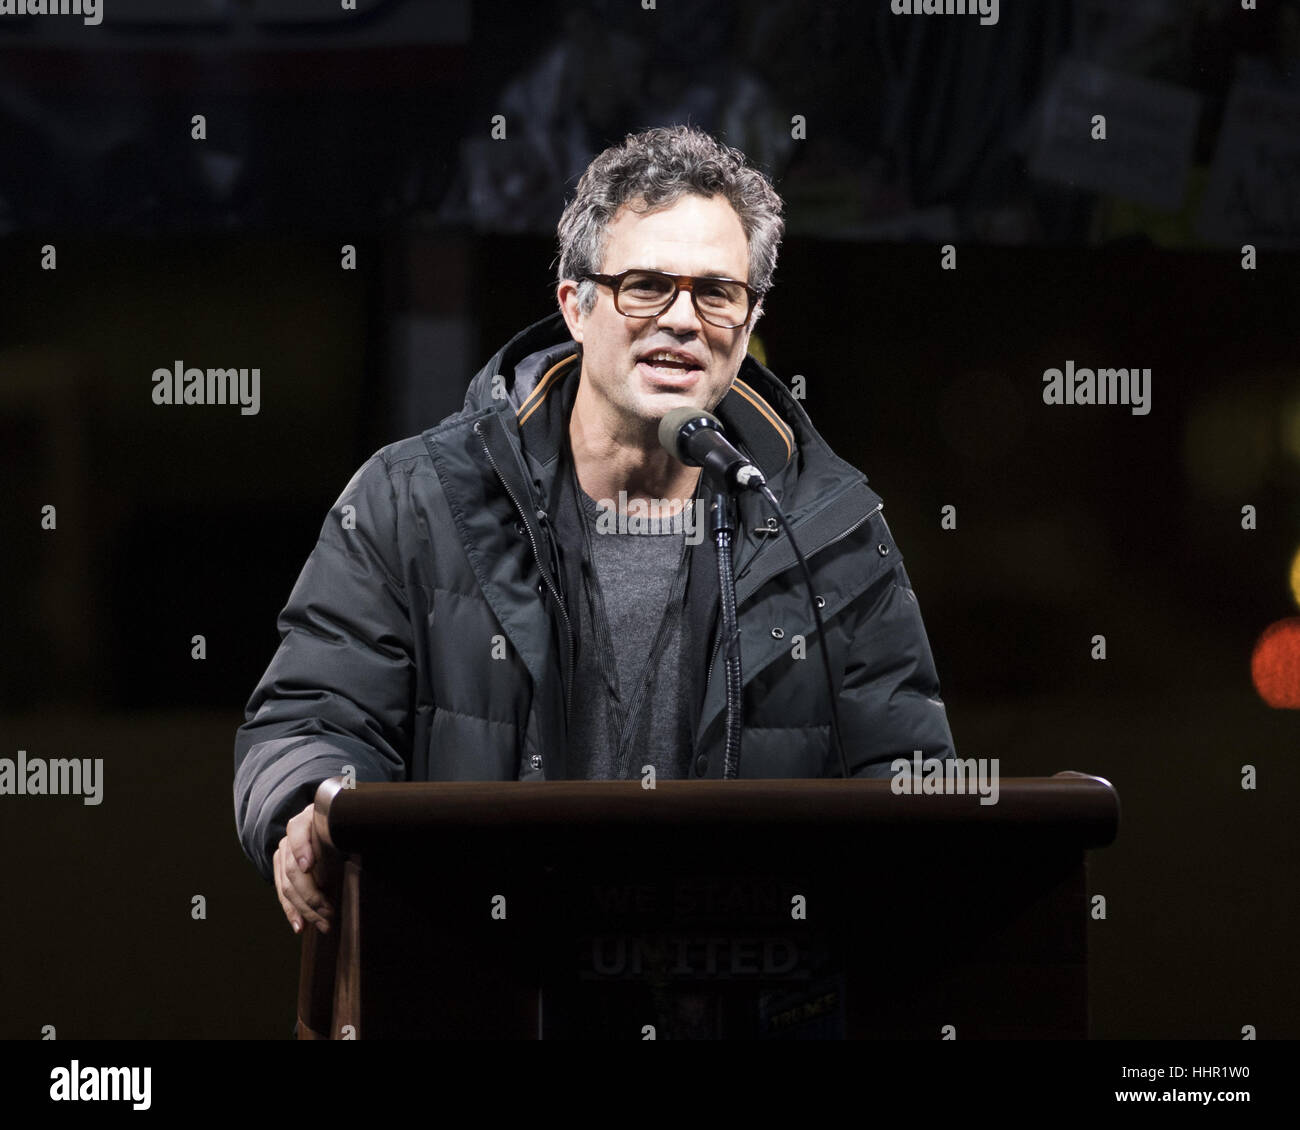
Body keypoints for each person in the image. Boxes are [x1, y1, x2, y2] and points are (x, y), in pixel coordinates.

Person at [233, 124, 956, 937]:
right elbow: (311, 717)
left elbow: (909, 777)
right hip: (485, 983)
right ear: (575, 305)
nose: (684, 320)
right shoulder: (416, 499)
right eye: (646, 285)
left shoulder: (826, 529)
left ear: (749, 323)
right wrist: (306, 809)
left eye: (717, 293)